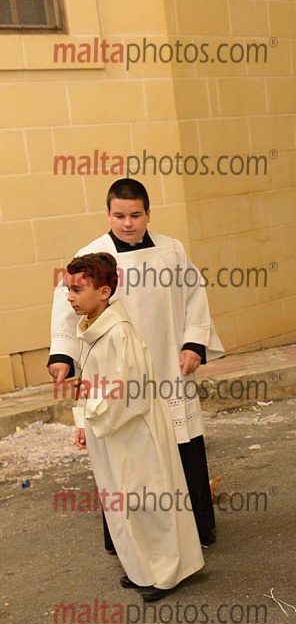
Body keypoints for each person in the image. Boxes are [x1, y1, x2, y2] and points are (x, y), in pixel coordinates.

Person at [49, 178, 223, 550]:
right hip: (119, 375)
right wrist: (63, 354)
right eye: (119, 215)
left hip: (168, 365)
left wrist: (194, 343)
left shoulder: (171, 251)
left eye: (135, 215)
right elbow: (68, 305)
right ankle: (127, 539)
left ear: (148, 213)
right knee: (126, 457)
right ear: (107, 213)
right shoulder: (93, 257)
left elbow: (195, 296)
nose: (127, 223)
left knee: (181, 446)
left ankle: (197, 529)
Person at [66, 252, 204, 602]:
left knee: (148, 499)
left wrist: (91, 403)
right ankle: (142, 567)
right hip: (110, 430)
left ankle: (167, 572)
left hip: (133, 431)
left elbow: (130, 392)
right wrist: (84, 416)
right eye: (68, 289)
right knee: (122, 501)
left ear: (104, 291)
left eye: (77, 289)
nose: (70, 297)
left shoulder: (120, 335)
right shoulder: (91, 331)